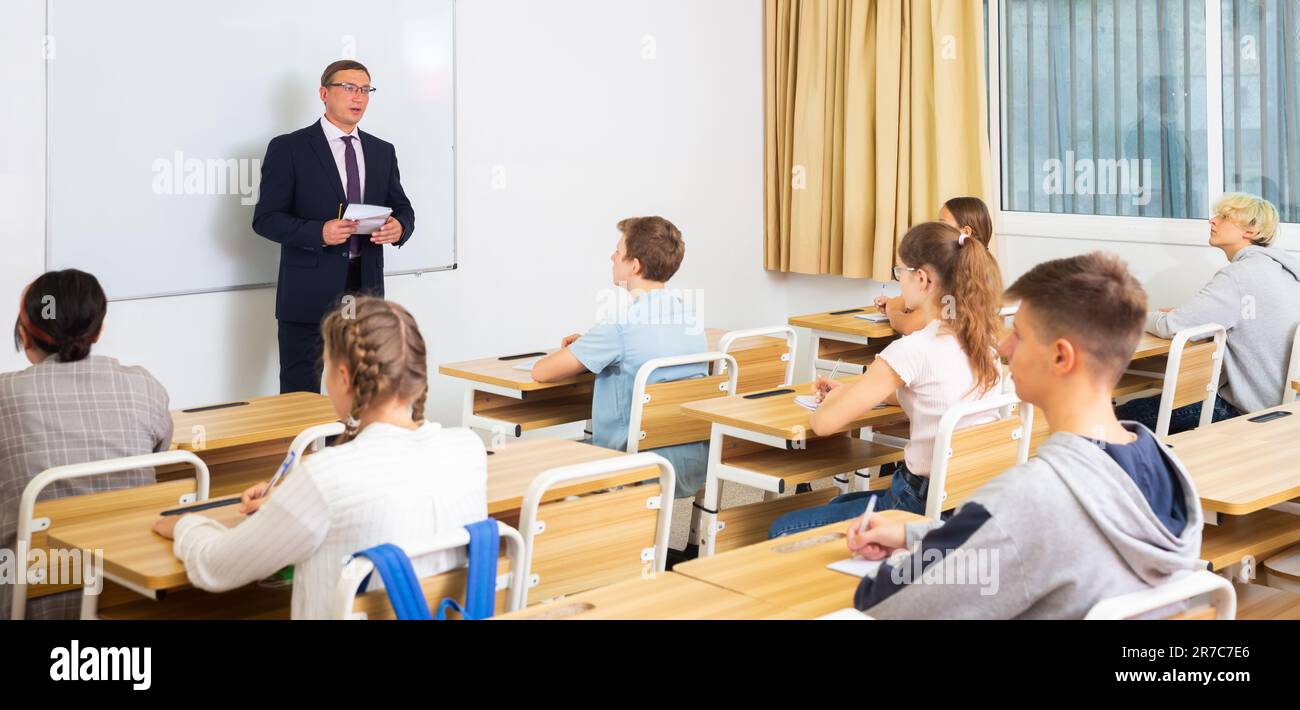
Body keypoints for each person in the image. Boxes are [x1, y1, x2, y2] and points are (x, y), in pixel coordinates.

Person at [152, 298, 485, 620]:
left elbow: (216, 567)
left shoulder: (326, 477)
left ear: (343, 377)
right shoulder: (467, 450)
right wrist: (288, 506)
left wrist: (186, 524)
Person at [1, 270, 172, 620]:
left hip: (31, 592)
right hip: (126, 584)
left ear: (24, 332)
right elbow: (162, 450)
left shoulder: (5, 396)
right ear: (99, 329)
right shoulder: (142, 386)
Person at [254, 59, 416, 394]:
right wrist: (319, 233)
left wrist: (399, 227)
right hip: (307, 291)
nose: (358, 96)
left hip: (364, 288)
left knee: (363, 385)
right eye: (349, 88)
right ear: (324, 93)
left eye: (365, 89)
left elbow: (403, 208)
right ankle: (310, 449)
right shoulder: (290, 148)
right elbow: (266, 219)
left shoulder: (381, 151)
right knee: (301, 392)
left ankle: (355, 447)